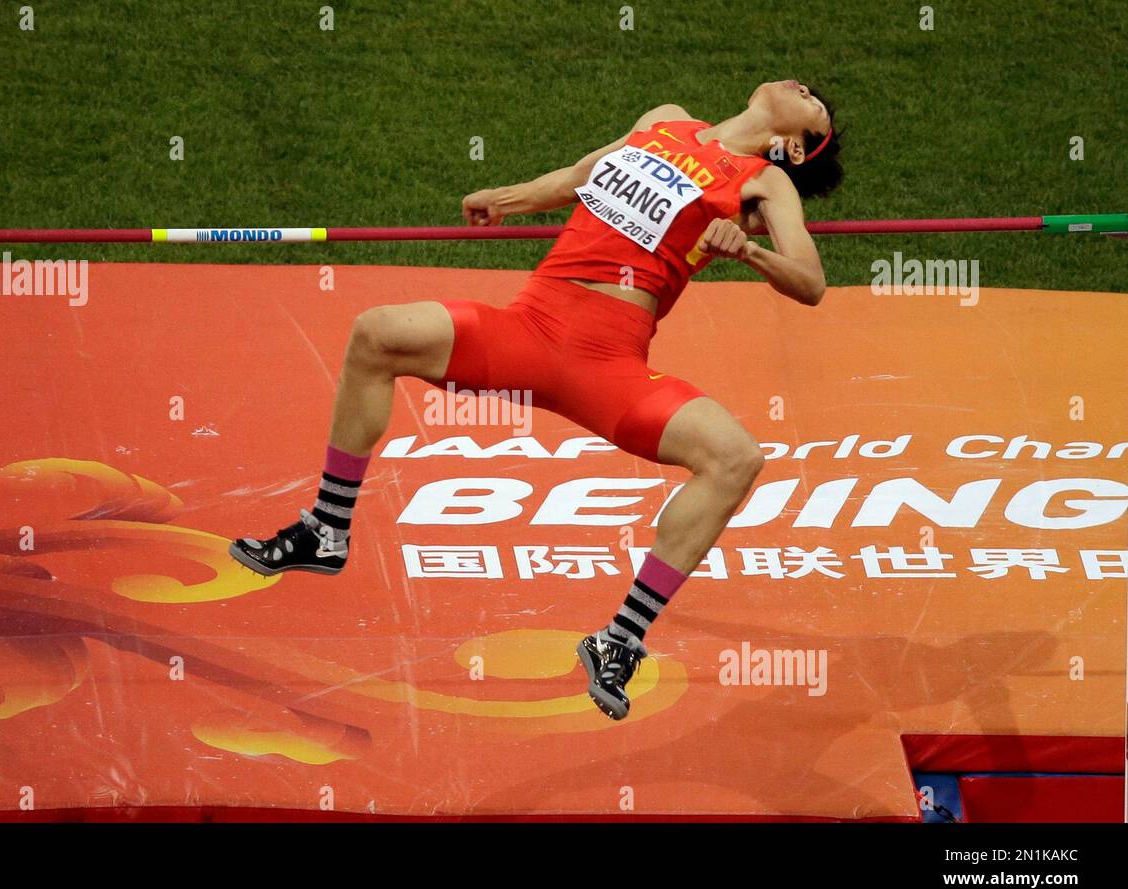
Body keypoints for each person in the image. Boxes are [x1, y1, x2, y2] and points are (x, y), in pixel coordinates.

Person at [231, 80, 844, 720]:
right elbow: (584, 176)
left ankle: (621, 638)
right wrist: (508, 199)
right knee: (376, 334)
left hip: (609, 366)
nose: (800, 86)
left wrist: (747, 248)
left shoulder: (765, 184)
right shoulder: (666, 120)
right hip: (527, 330)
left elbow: (811, 282)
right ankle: (326, 529)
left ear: (798, 149)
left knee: (736, 459)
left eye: (814, 104)